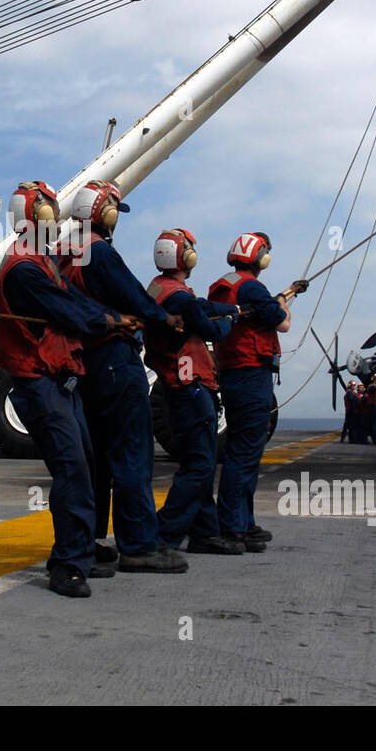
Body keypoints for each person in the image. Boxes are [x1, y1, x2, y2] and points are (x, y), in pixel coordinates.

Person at [0, 181, 138, 597]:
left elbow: (74, 300)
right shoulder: (24, 268)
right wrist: (113, 321)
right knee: (71, 468)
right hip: (39, 382)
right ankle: (67, 564)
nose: (55, 214)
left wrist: (110, 315)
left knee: (86, 462)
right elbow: (70, 312)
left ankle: (83, 543)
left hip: (59, 376)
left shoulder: (42, 260)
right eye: (50, 207)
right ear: (36, 214)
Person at [58, 180, 187, 574]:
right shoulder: (100, 252)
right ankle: (139, 546)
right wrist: (166, 317)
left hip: (85, 365)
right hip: (116, 359)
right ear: (106, 212)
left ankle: (92, 541)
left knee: (96, 458)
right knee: (131, 454)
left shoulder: (65, 253)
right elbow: (136, 297)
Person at [146, 229, 243, 555]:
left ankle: (205, 532)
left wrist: (224, 307)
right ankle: (163, 535)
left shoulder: (162, 289)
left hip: (176, 387)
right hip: (193, 388)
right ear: (183, 255)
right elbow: (212, 329)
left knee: (195, 461)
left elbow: (198, 306)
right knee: (200, 465)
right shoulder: (182, 299)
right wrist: (232, 319)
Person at [208, 232, 306, 551]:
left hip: (232, 373)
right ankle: (235, 525)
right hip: (252, 375)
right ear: (260, 257)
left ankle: (243, 522)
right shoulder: (252, 287)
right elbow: (282, 322)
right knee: (246, 453)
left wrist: (288, 292)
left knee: (242, 450)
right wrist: (285, 303)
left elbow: (260, 309)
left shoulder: (223, 285)